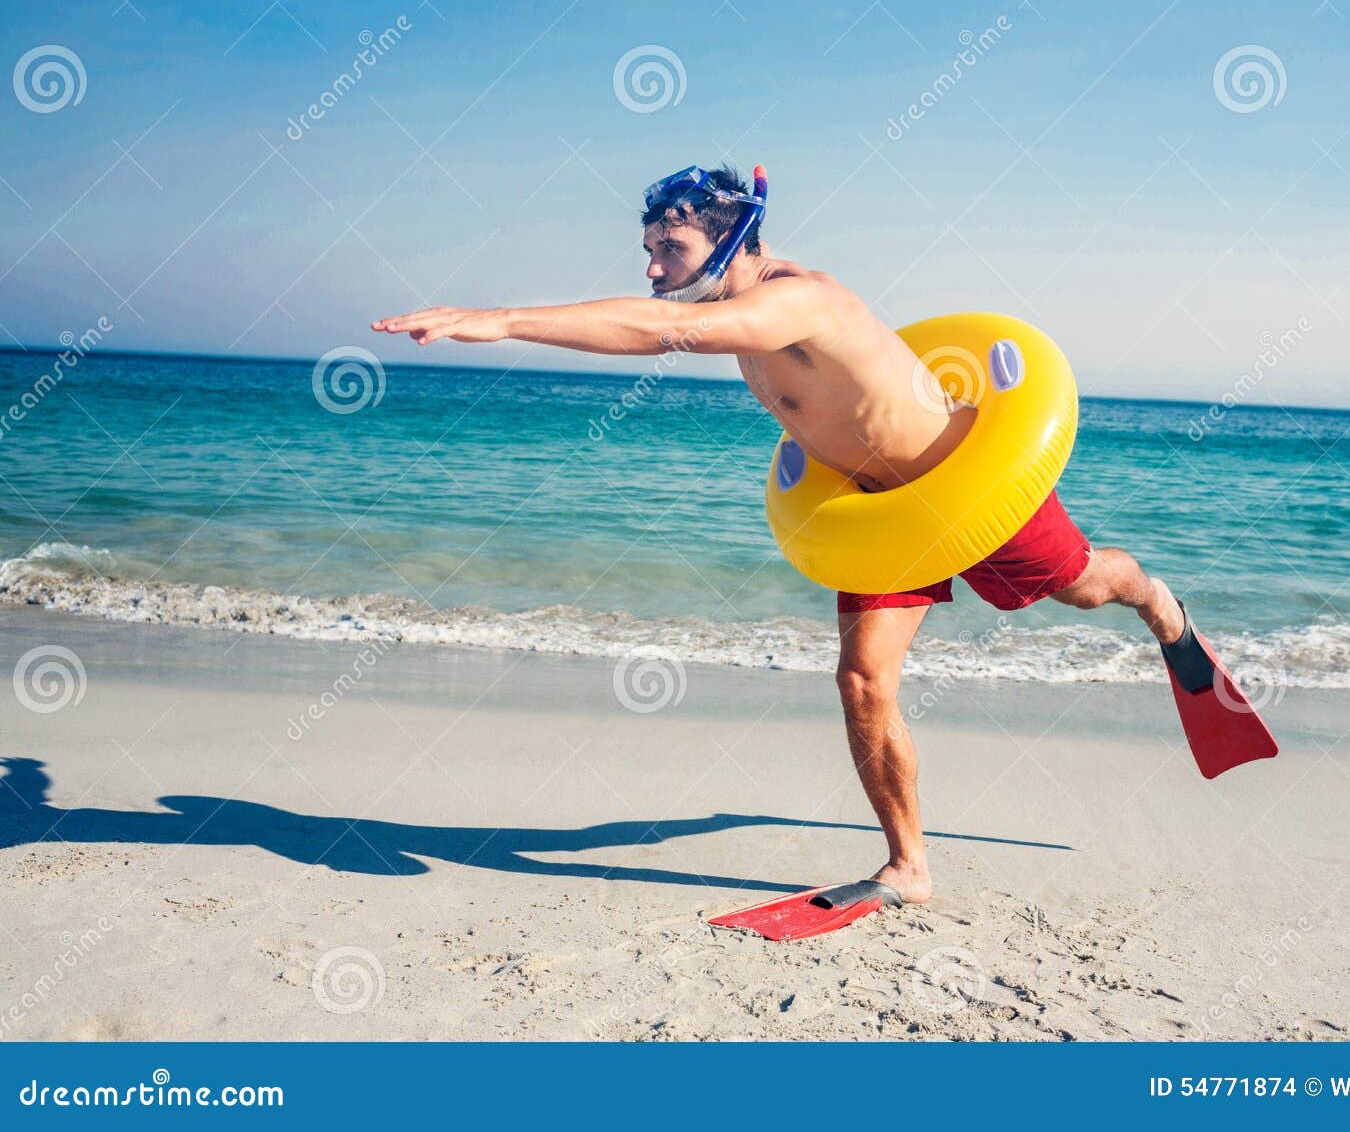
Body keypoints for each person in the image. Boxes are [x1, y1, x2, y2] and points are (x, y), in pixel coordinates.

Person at [372, 162, 1187, 906]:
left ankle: (1157, 602)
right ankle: (909, 865)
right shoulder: (738, 309)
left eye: (671, 246)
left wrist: (504, 318)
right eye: (648, 247)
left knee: (1086, 586)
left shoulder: (799, 301)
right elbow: (669, 320)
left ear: (727, 236)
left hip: (970, 486)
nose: (654, 266)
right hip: (881, 513)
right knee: (863, 682)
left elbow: (655, 329)